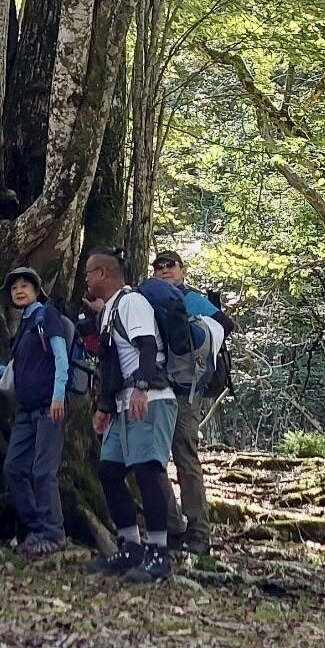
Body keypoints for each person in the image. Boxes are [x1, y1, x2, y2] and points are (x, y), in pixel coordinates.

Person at [84, 248, 178, 582]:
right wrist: (104, 408)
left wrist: (140, 386)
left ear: (104, 274)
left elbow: (148, 347)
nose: (86, 280)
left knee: (147, 471)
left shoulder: (132, 303)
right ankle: (130, 546)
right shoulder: (108, 312)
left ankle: (159, 553)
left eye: (88, 273)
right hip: (122, 405)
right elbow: (111, 364)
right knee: (110, 471)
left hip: (149, 398)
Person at [0, 267, 69, 557]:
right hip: (26, 411)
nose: (19, 291)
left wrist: (58, 398)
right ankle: (36, 527)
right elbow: (19, 370)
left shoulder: (46, 316)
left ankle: (54, 534)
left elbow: (60, 359)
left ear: (37, 290)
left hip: (48, 408)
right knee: (14, 468)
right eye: (14, 287)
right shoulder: (25, 325)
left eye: (24, 285)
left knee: (43, 471)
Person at [152, 249, 235, 555]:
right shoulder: (149, 300)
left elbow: (224, 325)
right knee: (153, 459)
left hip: (187, 391)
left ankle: (198, 532)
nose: (164, 271)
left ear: (182, 270)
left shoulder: (193, 298)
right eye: (159, 267)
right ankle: (173, 527)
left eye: (170, 265)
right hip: (157, 388)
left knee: (185, 456)